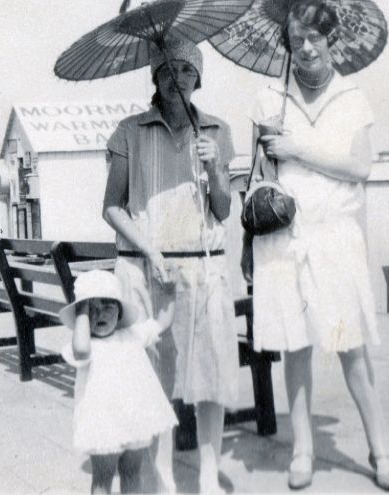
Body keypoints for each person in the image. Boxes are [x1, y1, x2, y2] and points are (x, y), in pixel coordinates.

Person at [241, 0, 389, 492]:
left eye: (315, 37)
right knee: (296, 346)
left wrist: (298, 149)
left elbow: (359, 168)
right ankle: (303, 450)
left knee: (350, 346)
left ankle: (381, 449)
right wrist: (248, 243)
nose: (306, 47)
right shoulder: (269, 99)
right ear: (287, 43)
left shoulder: (352, 97)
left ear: (332, 38)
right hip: (284, 240)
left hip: (335, 236)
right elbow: (258, 177)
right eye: (297, 39)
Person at [102, 37, 240, 493]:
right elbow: (112, 207)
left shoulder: (217, 130)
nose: (176, 79)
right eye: (166, 71)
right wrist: (149, 250)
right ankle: (160, 475)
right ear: (155, 79)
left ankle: (208, 475)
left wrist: (215, 168)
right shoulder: (129, 131)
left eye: (185, 70)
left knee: (210, 376)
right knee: (153, 380)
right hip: (147, 271)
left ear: (198, 78)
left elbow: (223, 210)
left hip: (203, 268)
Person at [59, 270, 178, 494]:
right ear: (81, 318)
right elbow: (81, 350)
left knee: (132, 473)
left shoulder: (133, 334)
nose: (100, 314)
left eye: (108, 306)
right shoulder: (87, 344)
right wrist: (81, 311)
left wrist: (170, 293)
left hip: (135, 419)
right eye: (91, 309)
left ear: (120, 311)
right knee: (103, 478)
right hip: (103, 424)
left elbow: (162, 323)